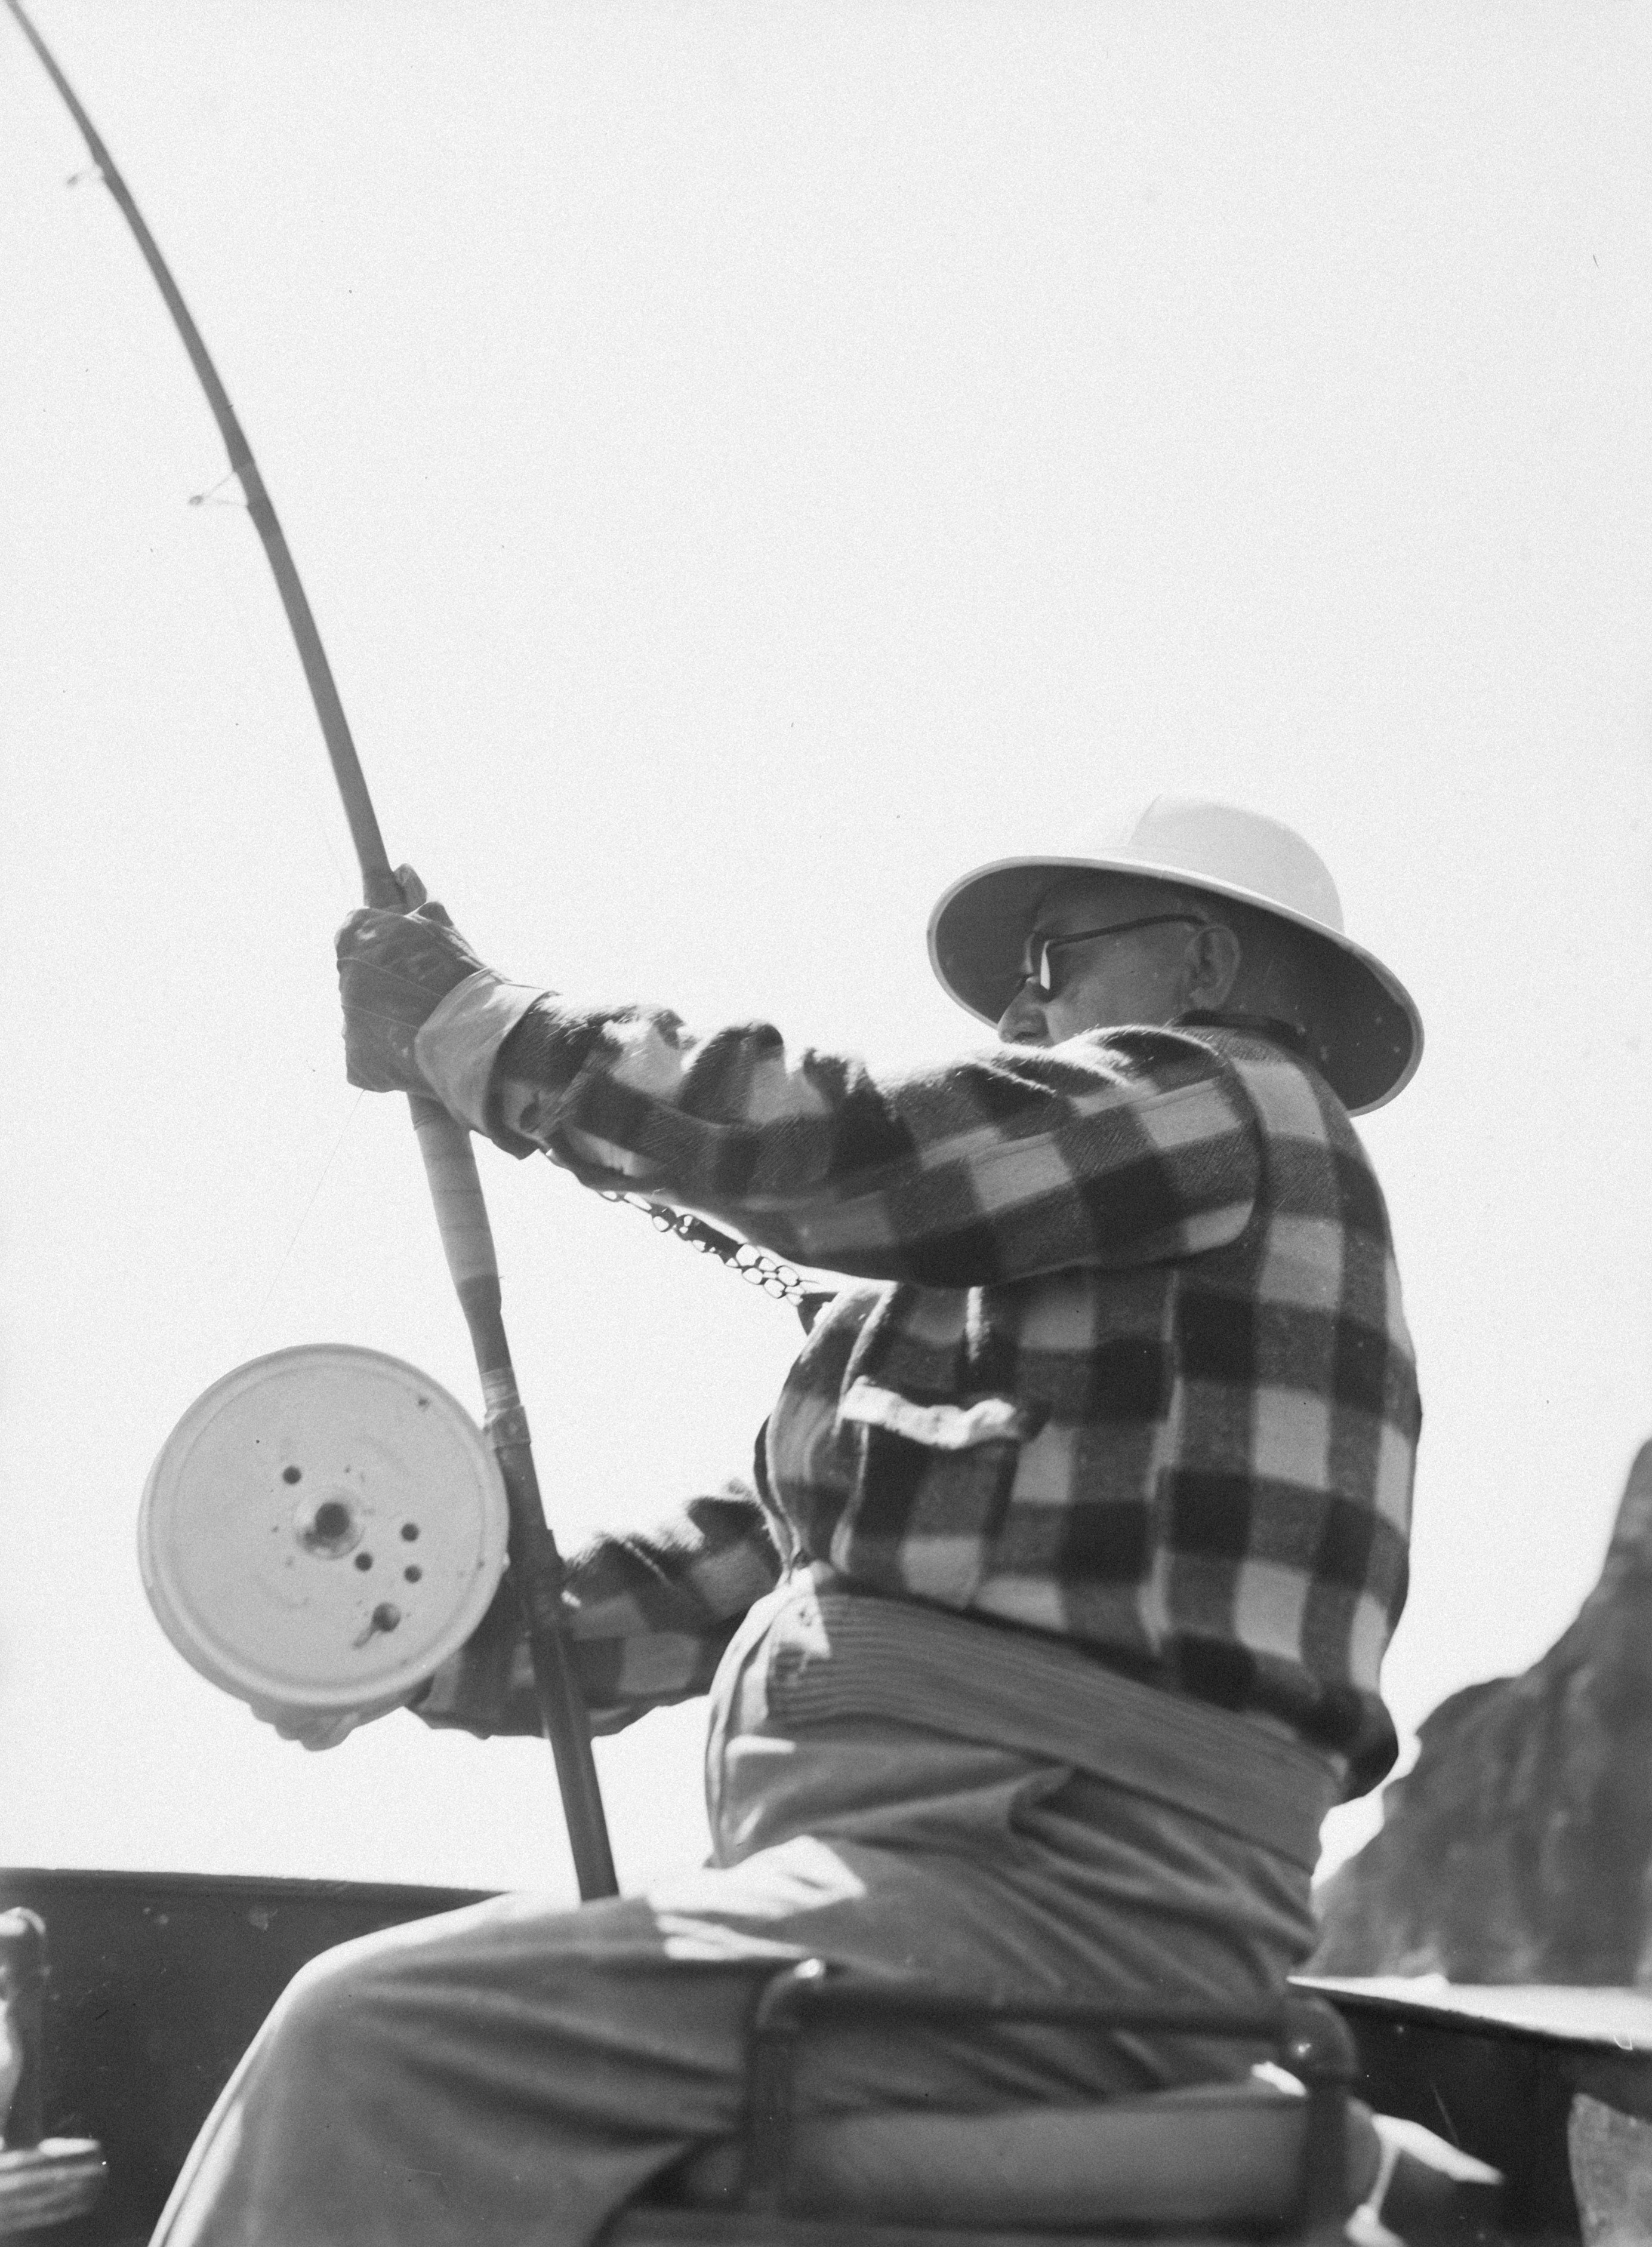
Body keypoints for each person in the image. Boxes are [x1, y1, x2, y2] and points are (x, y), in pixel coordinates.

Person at [152, 796, 1422, 2247]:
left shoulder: (1229, 1098)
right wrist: (409, 1642)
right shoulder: (1028, 1300)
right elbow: (730, 1575)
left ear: (1200, 966)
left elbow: (861, 1152)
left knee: (363, 2037)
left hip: (1059, 1892)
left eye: (1055, 958)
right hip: (939, 1890)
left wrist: (494, 1035)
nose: (1022, 1000)